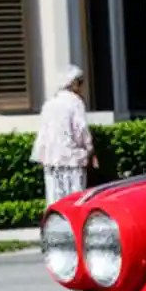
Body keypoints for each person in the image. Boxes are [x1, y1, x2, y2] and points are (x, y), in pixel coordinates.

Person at [30, 65, 98, 206]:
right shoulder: (75, 102)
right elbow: (81, 129)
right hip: (72, 156)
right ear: (73, 83)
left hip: (52, 158)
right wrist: (89, 149)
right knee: (75, 197)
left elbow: (43, 132)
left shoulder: (49, 103)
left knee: (55, 196)